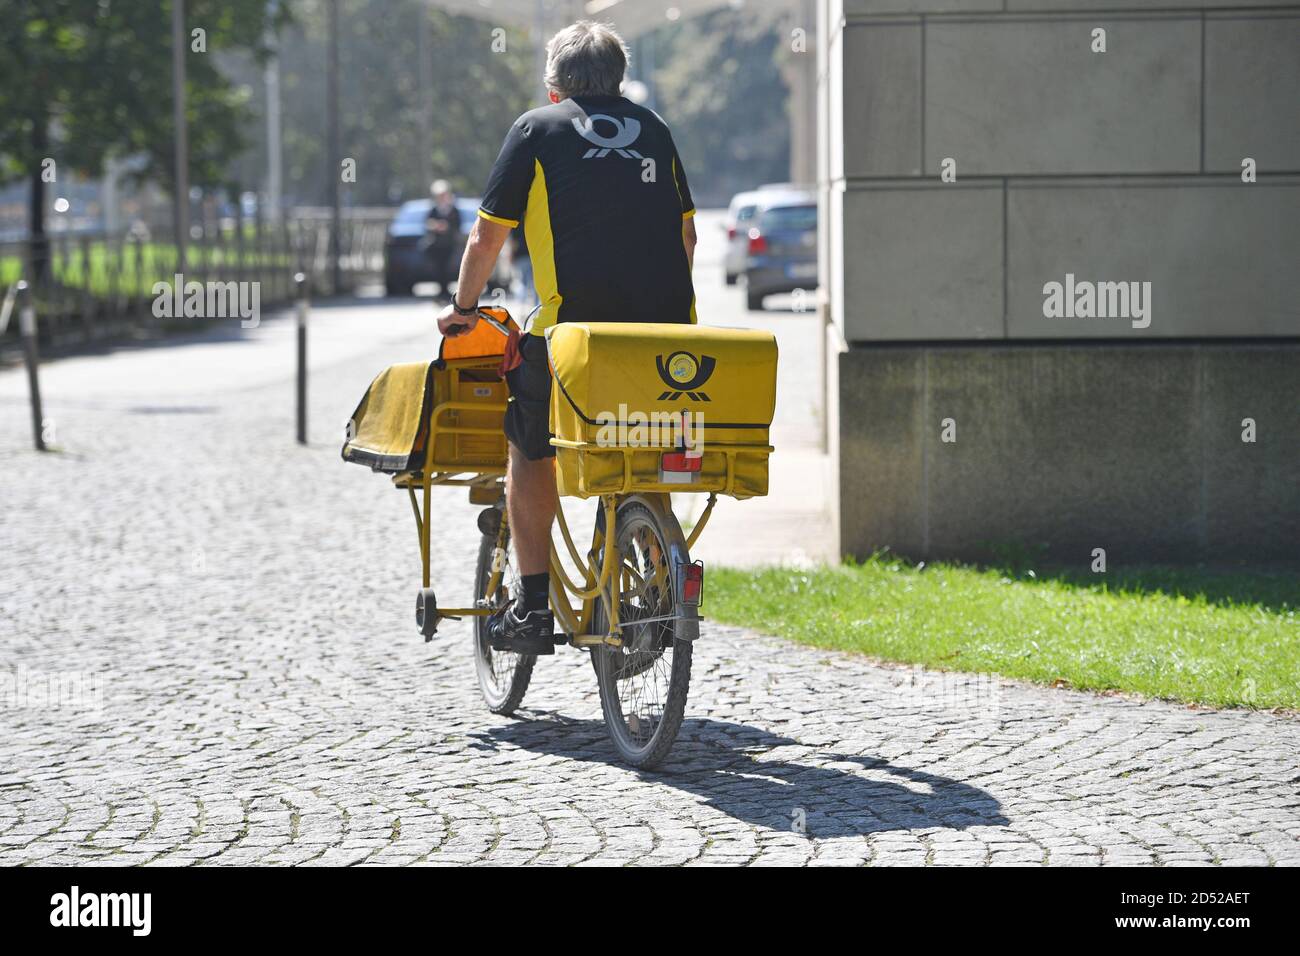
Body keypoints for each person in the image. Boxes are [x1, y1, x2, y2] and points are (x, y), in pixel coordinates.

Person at [435, 20, 698, 654]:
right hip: (666, 340)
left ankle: (529, 607)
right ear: (620, 80)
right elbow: (688, 237)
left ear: (555, 88)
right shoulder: (655, 130)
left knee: (531, 448)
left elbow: (486, 237)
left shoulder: (535, 129)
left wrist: (463, 308)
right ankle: (649, 556)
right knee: (646, 435)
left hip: (571, 335)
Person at [425, 179, 461, 301]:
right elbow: (427, 224)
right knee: (439, 269)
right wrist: (435, 226)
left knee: (449, 268)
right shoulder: (434, 210)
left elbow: (457, 226)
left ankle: (447, 291)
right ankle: (441, 291)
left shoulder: (453, 210)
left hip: (449, 244)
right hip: (437, 245)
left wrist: (447, 227)